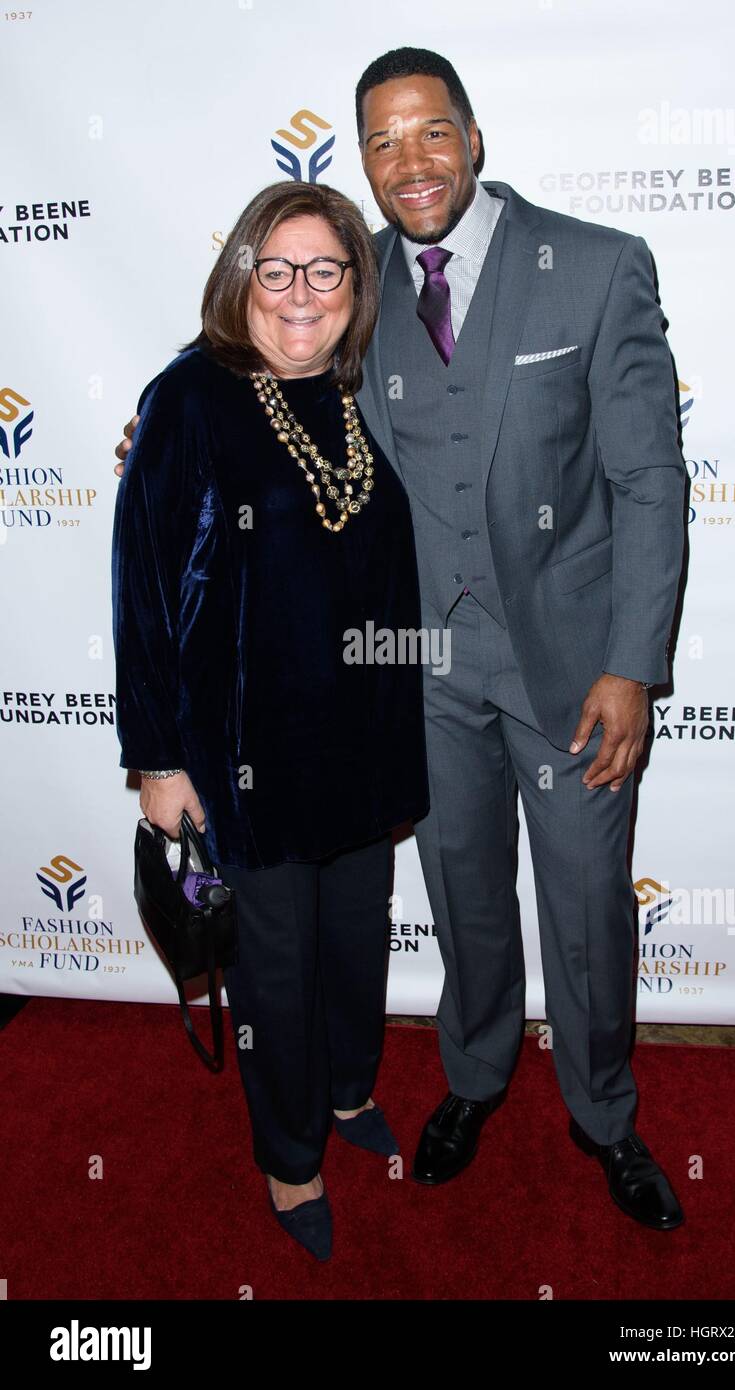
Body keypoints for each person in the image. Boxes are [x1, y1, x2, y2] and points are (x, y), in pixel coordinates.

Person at [116, 46, 688, 1233]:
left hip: (572, 672)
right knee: (465, 898)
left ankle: (602, 1113)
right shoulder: (348, 282)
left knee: (584, 904)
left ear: (472, 139)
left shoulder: (590, 267)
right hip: (408, 683)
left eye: (430, 132)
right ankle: (474, 1078)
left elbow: (649, 481)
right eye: (380, 140)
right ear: (360, 161)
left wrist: (631, 664)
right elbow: (240, 379)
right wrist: (157, 438)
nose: (408, 160)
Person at [111, 179, 430, 1262]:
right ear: (239, 276)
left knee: (353, 949)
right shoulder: (190, 399)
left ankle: (346, 1095)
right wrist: (157, 759)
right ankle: (290, 1160)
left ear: (354, 287)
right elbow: (142, 589)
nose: (301, 293)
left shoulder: (349, 393)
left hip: (359, 753)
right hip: (246, 762)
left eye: (326, 270)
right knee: (275, 975)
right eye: (277, 269)